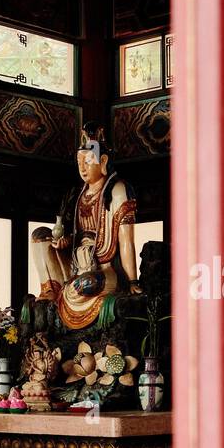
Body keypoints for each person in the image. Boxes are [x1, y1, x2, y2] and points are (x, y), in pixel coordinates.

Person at [31, 124, 142, 333]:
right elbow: (77, 236)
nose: (82, 168)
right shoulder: (78, 194)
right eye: (79, 162)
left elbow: (126, 241)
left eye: (88, 161)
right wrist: (65, 242)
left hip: (103, 268)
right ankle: (51, 286)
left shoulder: (117, 190)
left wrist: (132, 281)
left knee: (85, 284)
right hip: (76, 264)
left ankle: (67, 289)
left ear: (103, 161)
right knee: (39, 237)